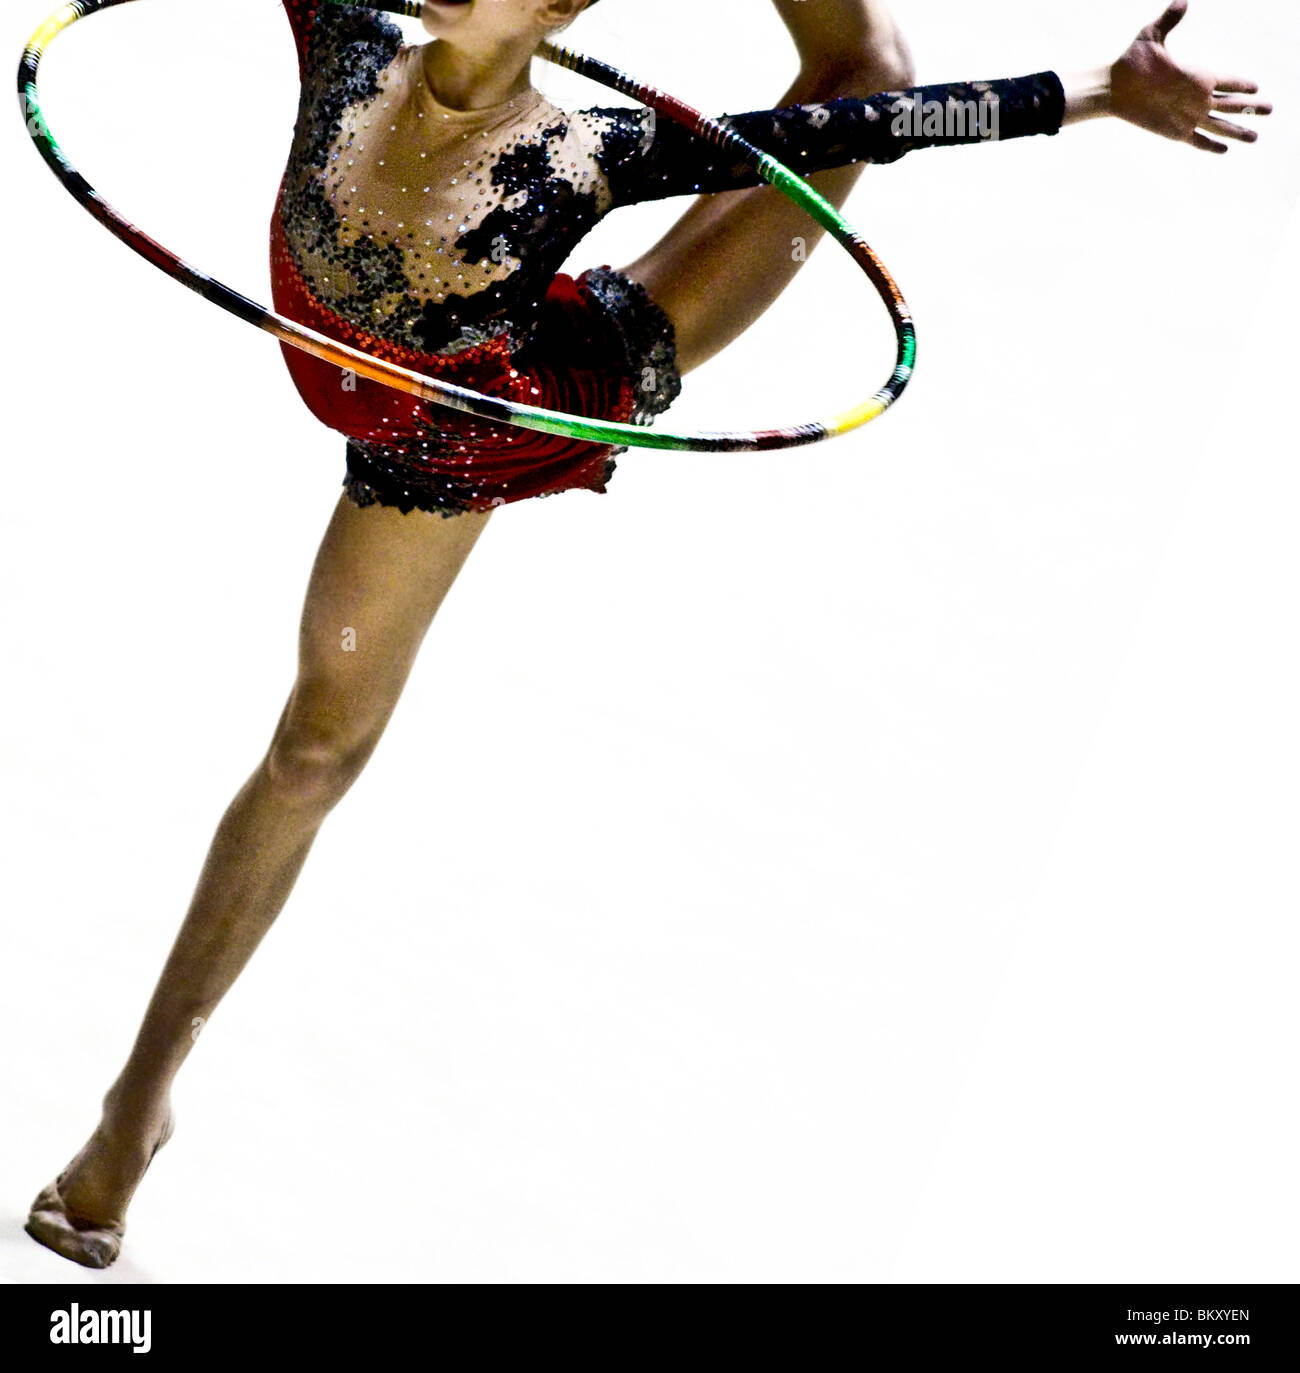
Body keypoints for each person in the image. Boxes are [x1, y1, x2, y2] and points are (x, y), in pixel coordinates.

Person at [25, 0, 1269, 1267]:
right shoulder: (347, 34)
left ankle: (129, 1114)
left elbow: (883, 125)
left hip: (504, 413)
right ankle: (145, 1097)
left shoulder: (579, 157)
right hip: (402, 399)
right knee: (305, 756)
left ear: (564, 9)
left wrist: (1102, 89)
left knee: (860, 88)